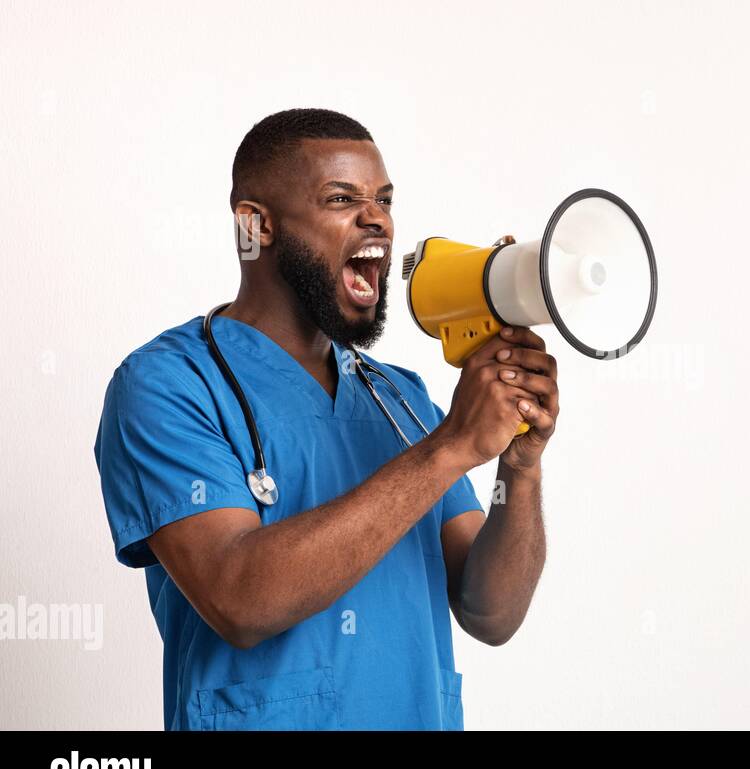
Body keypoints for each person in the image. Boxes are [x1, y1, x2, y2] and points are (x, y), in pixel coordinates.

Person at [92, 108, 559, 730]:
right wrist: (450, 446)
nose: (377, 219)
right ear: (254, 226)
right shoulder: (168, 385)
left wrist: (519, 467)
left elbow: (490, 613)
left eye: (384, 200)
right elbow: (238, 597)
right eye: (342, 198)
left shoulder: (402, 401)